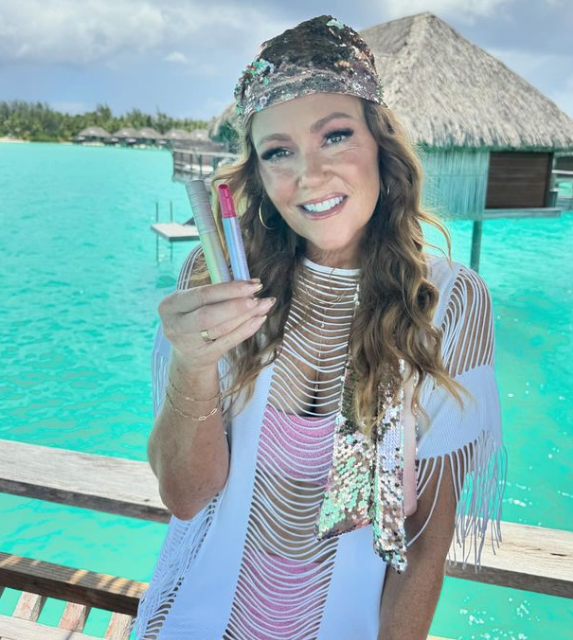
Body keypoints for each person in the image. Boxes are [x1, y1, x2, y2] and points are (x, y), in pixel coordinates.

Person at [132, 15, 507, 640]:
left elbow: (424, 545)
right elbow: (186, 496)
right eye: (278, 151)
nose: (308, 175)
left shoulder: (447, 302)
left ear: (381, 144)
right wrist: (192, 364)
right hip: (194, 618)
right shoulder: (220, 276)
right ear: (258, 172)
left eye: (335, 136)